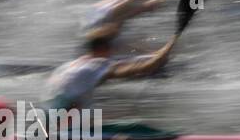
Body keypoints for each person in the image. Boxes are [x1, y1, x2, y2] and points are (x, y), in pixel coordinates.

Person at [42, 29, 178, 113]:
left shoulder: (72, 64)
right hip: (63, 121)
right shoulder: (95, 67)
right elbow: (147, 67)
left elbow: (126, 61)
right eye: (112, 47)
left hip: (46, 113)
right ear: (103, 48)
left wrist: (161, 52)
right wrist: (173, 41)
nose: (113, 51)